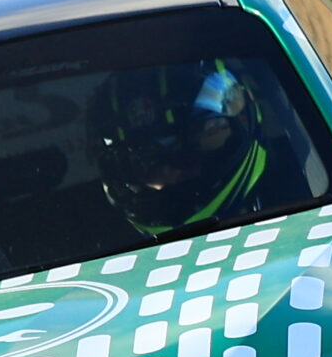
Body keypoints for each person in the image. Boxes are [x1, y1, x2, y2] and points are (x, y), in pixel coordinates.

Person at [86, 60, 270, 238]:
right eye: (145, 161)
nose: (166, 173)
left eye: (184, 154)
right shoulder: (112, 251)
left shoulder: (293, 197)